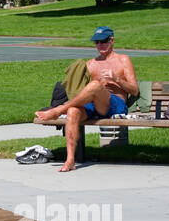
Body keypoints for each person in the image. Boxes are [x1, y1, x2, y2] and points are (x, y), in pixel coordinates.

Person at [34, 27, 138, 173]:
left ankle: (57, 110)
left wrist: (117, 79)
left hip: (116, 104)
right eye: (97, 42)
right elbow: (81, 91)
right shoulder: (90, 64)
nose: (100, 45)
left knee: (95, 85)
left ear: (112, 41)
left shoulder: (123, 60)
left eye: (103, 41)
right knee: (72, 111)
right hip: (94, 105)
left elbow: (134, 90)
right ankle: (70, 159)